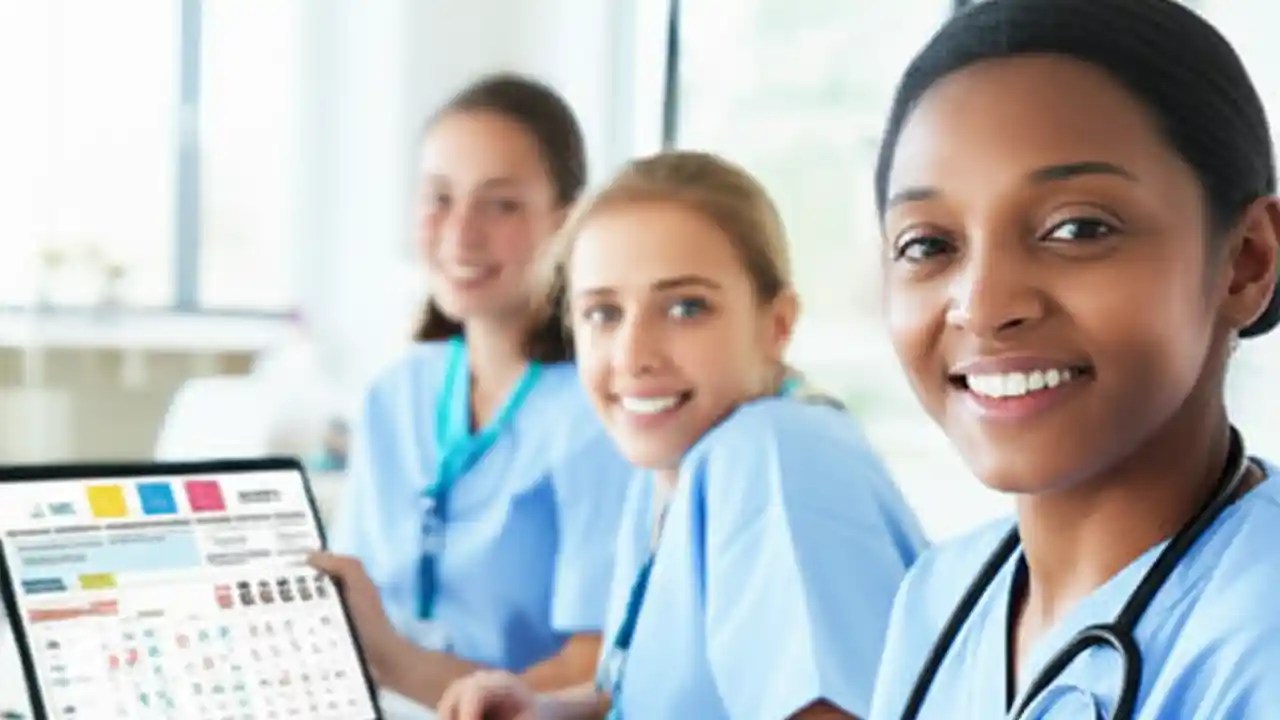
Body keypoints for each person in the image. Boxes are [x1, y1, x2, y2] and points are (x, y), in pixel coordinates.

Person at [866, 1, 1280, 718]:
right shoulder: (938, 598)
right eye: (927, 244)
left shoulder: (1260, 637)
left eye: (1078, 228)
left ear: (1244, 263)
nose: (984, 303)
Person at [435, 151, 928, 720]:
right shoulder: (670, 473)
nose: (634, 355)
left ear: (778, 325)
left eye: (686, 308)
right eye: (603, 313)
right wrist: (547, 711)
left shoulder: (773, 455)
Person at [312, 73, 633, 708]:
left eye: (502, 204)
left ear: (564, 225)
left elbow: (594, 672)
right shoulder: (396, 395)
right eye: (439, 198)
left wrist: (398, 664)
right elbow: (347, 614)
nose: (462, 233)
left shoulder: (599, 414)